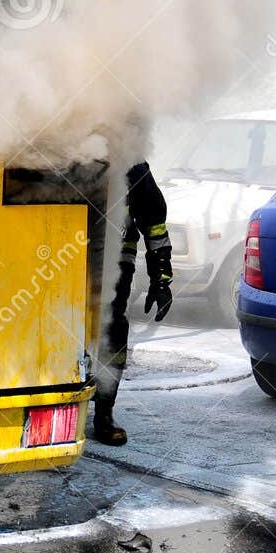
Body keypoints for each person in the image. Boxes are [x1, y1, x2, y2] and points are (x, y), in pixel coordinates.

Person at [92, 162, 172, 446]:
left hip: (115, 265)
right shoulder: (69, 150)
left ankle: (103, 413)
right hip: (62, 264)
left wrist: (161, 280)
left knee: (112, 332)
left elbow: (154, 223)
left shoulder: (132, 163)